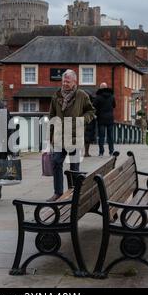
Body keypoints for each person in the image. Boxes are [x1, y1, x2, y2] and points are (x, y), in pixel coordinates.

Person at [47, 70, 95, 202]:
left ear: (75, 82)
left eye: (68, 81)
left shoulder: (81, 95)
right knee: (56, 162)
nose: (65, 83)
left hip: (75, 134)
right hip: (59, 135)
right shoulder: (56, 96)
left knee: (74, 167)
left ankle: (74, 194)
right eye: (63, 81)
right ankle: (58, 193)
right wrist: (50, 135)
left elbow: (91, 111)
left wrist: (82, 120)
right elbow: (51, 115)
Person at [93, 82, 116, 156]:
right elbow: (114, 105)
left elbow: (94, 107)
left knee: (101, 136)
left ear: (100, 88)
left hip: (101, 118)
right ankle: (111, 151)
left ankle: (101, 152)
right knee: (110, 136)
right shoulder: (112, 96)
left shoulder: (98, 97)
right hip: (110, 118)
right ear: (106, 87)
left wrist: (96, 114)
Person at [84, 91, 97, 158]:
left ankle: (85, 153)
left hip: (84, 121)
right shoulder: (92, 103)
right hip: (89, 121)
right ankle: (86, 153)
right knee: (87, 137)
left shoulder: (80, 102)